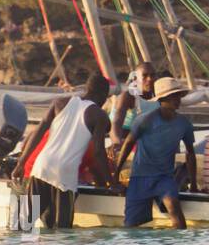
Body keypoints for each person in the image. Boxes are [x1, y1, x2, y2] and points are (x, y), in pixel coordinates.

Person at [13, 72, 117, 229]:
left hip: (43, 165)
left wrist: (21, 162)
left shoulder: (60, 103)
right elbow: (98, 152)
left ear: (86, 89)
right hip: (65, 174)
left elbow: (39, 131)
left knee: (24, 224)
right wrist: (112, 182)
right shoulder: (98, 115)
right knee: (62, 231)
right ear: (104, 95)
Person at [114, 77, 196, 229]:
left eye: (178, 96)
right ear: (162, 99)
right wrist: (115, 174)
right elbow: (128, 144)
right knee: (131, 226)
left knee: (173, 206)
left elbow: (190, 154)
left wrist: (195, 184)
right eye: (173, 96)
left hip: (164, 178)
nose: (177, 99)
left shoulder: (184, 124)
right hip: (140, 177)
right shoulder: (145, 120)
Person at [109, 61, 158, 143]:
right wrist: (117, 143)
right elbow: (116, 122)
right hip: (124, 136)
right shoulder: (129, 96)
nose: (149, 79)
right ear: (136, 79)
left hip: (145, 136)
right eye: (144, 76)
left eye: (152, 75)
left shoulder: (160, 95)